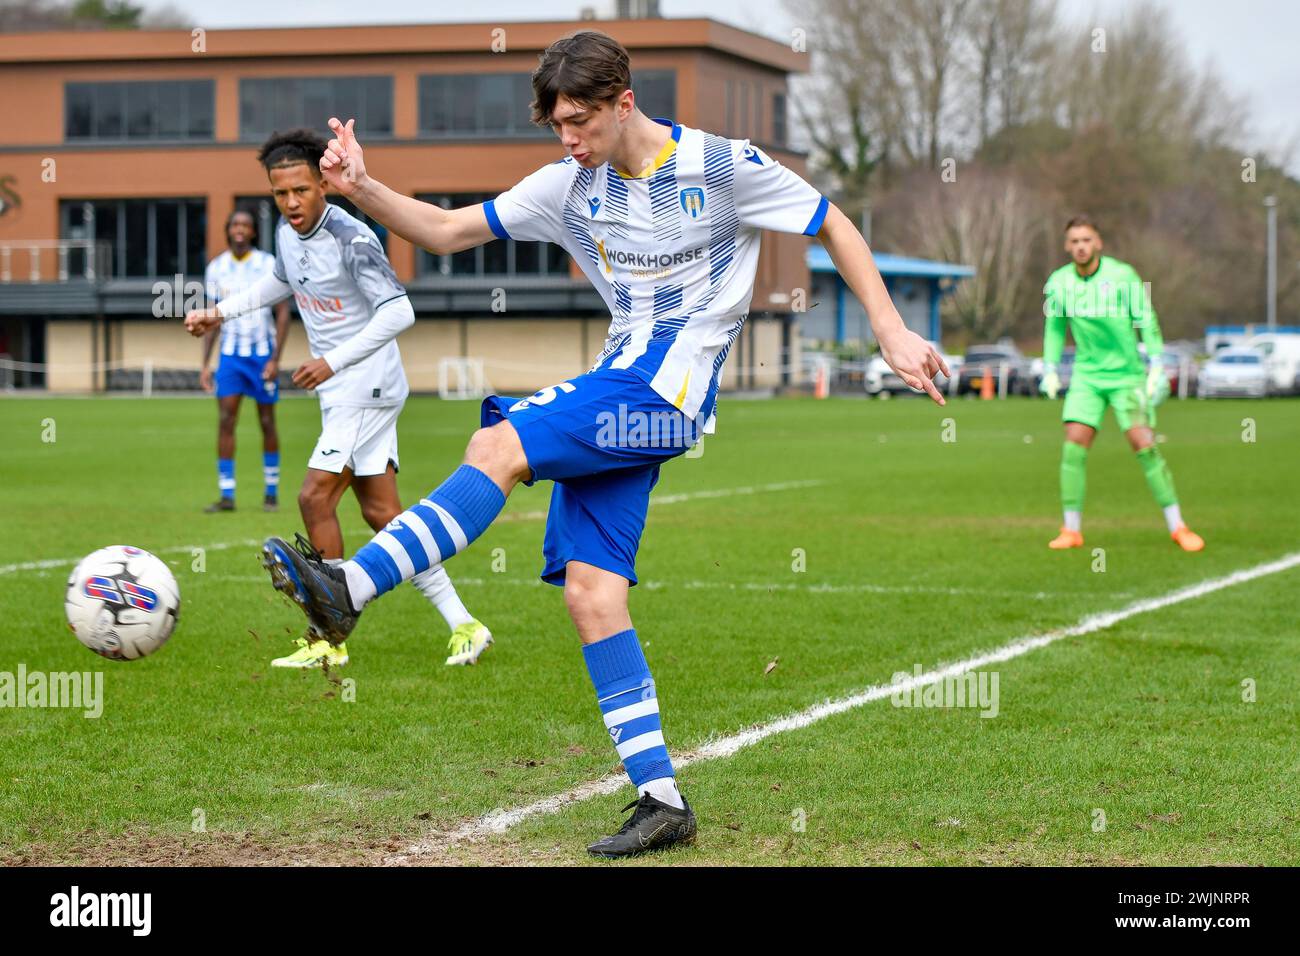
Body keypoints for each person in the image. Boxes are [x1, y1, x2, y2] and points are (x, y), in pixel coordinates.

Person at [251, 31, 946, 856]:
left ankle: (351, 589)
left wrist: (891, 328)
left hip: (662, 392)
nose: (568, 141)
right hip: (629, 392)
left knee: (497, 449)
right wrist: (360, 186)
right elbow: (442, 231)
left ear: (624, 102)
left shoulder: (724, 166)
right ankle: (661, 799)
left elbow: (833, 223)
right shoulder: (566, 183)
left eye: (580, 122)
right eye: (556, 126)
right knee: (591, 594)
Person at [185, 129, 493, 670]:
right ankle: (464, 623)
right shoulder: (285, 234)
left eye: (301, 190)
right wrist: (220, 312)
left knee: (313, 498)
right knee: (383, 514)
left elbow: (400, 312)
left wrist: (333, 360)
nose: (292, 203)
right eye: (280, 194)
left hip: (365, 385)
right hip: (344, 389)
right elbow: (279, 284)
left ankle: (330, 634)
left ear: (323, 182)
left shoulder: (352, 237)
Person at [1041, 215, 1204, 552]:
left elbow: (1146, 317)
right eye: (1074, 241)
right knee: (1073, 445)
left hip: (1126, 376)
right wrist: (1050, 367)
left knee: (1144, 447)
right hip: (1087, 376)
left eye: (1086, 239)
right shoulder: (1058, 282)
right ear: (1066, 246)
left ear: (1098, 242)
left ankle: (1178, 526)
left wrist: (1157, 363)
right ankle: (1071, 530)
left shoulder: (1122, 275)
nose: (1081, 246)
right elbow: (1055, 327)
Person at [200, 208, 289, 514]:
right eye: (235, 224)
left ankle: (271, 493)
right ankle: (226, 495)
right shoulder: (216, 268)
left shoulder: (268, 263)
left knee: (267, 421)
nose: (240, 229)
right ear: (228, 230)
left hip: (262, 354)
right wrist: (205, 364)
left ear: (253, 232)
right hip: (230, 357)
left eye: (245, 224)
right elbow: (213, 317)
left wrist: (276, 358)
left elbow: (282, 312)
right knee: (226, 421)